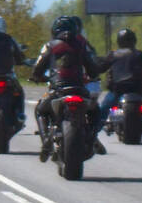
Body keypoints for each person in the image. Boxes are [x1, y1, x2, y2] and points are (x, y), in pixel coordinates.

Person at [31, 15, 104, 159]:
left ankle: (46, 140)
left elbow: (37, 68)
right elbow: (93, 70)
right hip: (79, 89)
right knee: (95, 110)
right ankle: (91, 137)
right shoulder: (81, 46)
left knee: (40, 110)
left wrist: (37, 77)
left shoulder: (50, 46)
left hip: (57, 90)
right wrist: (92, 76)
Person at [97, 28, 142, 131]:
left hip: (118, 90)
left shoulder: (113, 55)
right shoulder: (141, 55)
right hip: (137, 89)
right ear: (134, 40)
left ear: (119, 41)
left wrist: (94, 66)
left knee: (103, 111)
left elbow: (101, 68)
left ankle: (95, 129)